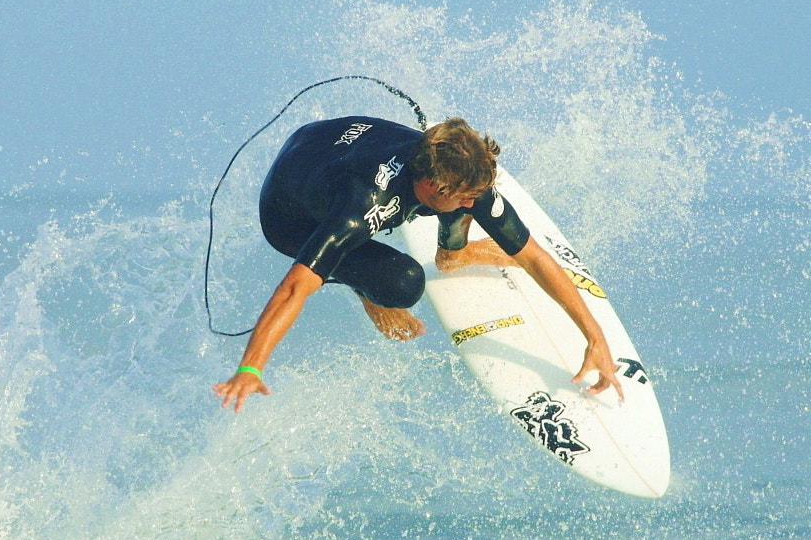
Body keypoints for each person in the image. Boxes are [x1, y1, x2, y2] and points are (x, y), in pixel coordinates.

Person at [213, 115, 623, 412]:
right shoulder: (359, 209)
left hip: (328, 137)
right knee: (404, 284)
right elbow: (294, 288)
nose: (473, 202)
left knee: (475, 209)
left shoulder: (453, 168)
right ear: (429, 186)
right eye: (463, 197)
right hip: (291, 210)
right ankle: (364, 287)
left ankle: (455, 252)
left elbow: (534, 257)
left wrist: (595, 337)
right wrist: (251, 367)